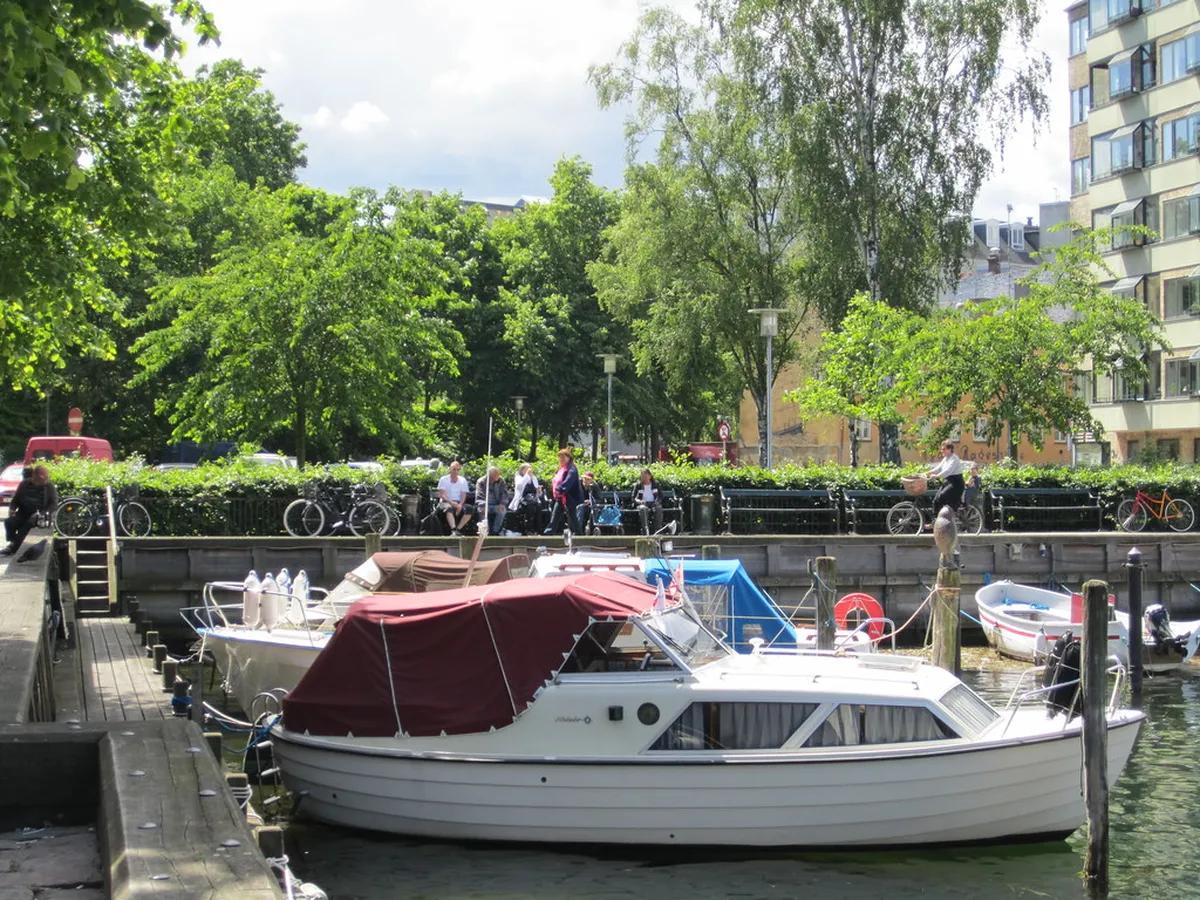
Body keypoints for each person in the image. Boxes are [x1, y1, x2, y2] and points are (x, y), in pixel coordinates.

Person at [3, 465, 58, 556]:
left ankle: (13, 547)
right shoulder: (24, 484)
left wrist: (42, 513)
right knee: (9, 522)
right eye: (40, 479)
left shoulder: (49, 486)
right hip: (23, 512)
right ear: (34, 476)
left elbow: (53, 504)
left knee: (24, 528)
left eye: (44, 479)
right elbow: (15, 500)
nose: (43, 481)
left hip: (38, 516)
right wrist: (12, 509)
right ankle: (14, 543)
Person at [545, 448, 583, 535]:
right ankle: (548, 534)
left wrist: (560, 488)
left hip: (569, 497)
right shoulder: (561, 469)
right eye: (560, 457)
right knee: (555, 517)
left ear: (569, 458)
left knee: (572, 518)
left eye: (563, 457)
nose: (561, 459)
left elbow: (568, 481)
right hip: (561, 497)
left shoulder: (571, 469)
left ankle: (580, 535)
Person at [925, 440, 967, 515]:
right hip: (948, 482)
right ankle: (935, 521)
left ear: (950, 449)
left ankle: (948, 517)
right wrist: (927, 473)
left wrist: (936, 476)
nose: (941, 451)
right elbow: (938, 468)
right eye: (941, 449)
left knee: (942, 497)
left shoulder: (954, 459)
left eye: (944, 449)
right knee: (936, 500)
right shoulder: (945, 458)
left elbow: (948, 471)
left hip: (956, 484)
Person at [436, 460, 474, 535]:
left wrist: (460, 504)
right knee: (449, 508)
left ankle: (458, 529)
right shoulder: (443, 479)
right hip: (445, 502)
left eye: (458, 469)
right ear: (450, 469)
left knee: (470, 509)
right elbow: (442, 495)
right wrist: (452, 503)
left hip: (458, 502)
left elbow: (463, 494)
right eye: (454, 469)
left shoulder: (463, 480)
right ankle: (453, 529)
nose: (456, 471)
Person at [508, 463, 544, 535]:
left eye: (530, 469)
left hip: (533, 499)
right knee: (531, 506)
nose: (530, 471)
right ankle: (529, 529)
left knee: (538, 506)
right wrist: (527, 475)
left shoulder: (533, 478)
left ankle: (537, 529)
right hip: (522, 500)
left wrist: (539, 491)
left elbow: (538, 493)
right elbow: (520, 486)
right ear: (522, 470)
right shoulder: (518, 477)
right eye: (527, 469)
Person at [474, 466, 510, 536]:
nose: (494, 480)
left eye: (496, 477)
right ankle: (484, 532)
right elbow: (479, 495)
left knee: (502, 511)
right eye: (492, 478)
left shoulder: (501, 481)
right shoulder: (481, 481)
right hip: (484, 504)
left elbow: (504, 494)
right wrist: (483, 504)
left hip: (496, 505)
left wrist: (502, 504)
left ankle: (495, 532)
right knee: (482, 510)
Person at [633, 468, 664, 535]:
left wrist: (657, 501)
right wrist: (640, 501)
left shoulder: (656, 484)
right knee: (643, 509)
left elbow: (661, 496)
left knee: (658, 508)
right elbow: (634, 498)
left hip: (653, 503)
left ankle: (658, 530)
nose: (644, 478)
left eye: (646, 476)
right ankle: (645, 530)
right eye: (643, 476)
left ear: (650, 476)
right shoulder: (638, 485)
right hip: (643, 504)